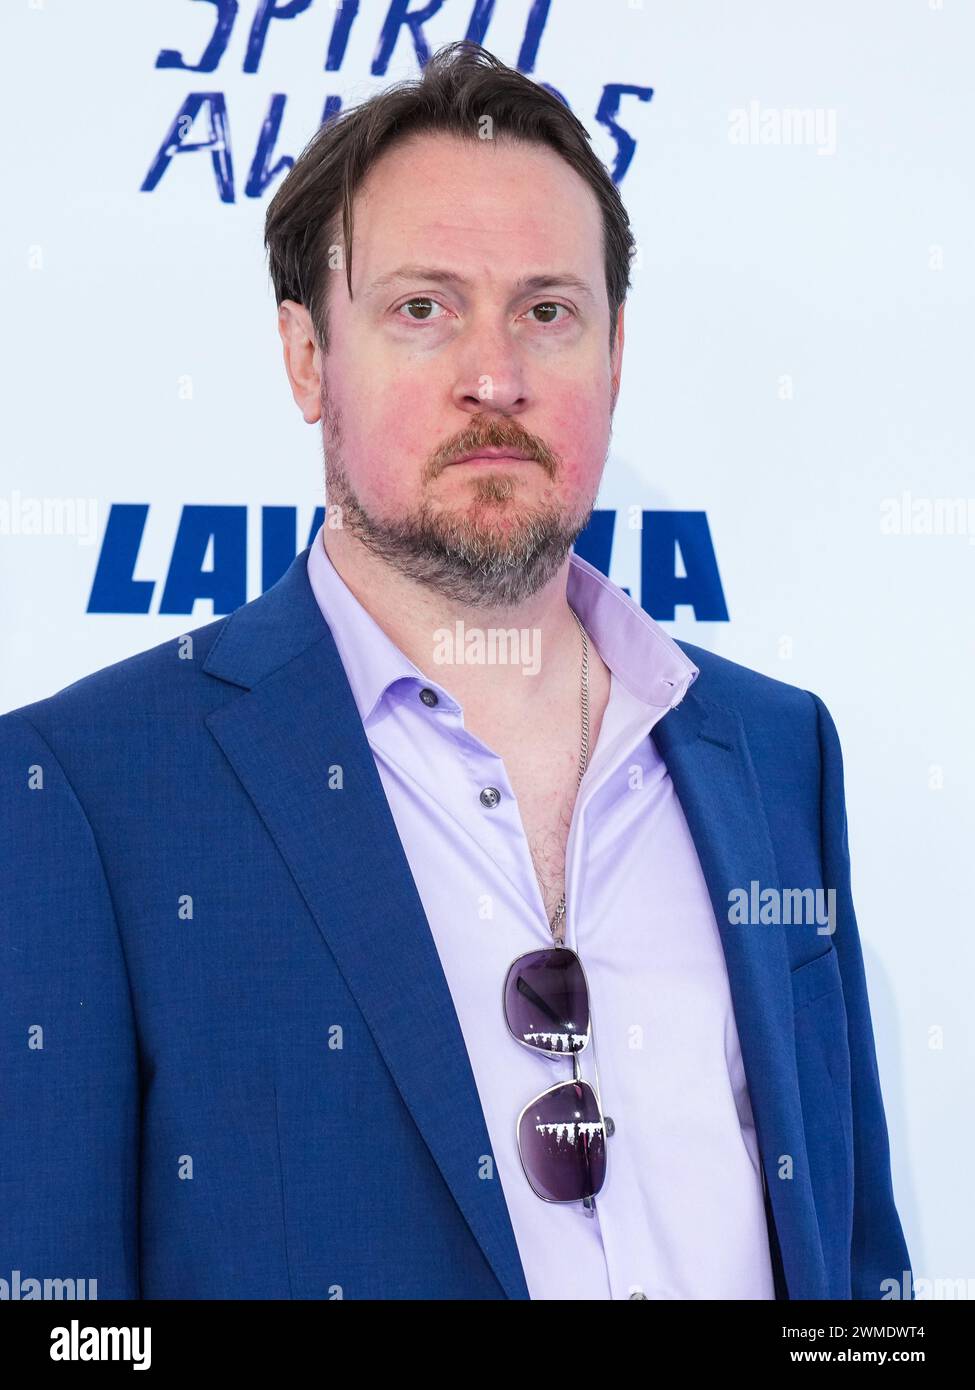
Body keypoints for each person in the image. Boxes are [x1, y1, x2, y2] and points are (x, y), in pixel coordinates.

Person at [0, 41, 910, 1300]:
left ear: (615, 353)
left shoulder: (774, 749)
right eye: (423, 308)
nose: (498, 377)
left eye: (548, 311)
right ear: (308, 357)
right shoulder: (90, 788)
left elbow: (856, 1275)